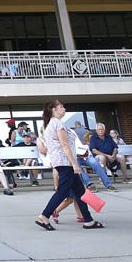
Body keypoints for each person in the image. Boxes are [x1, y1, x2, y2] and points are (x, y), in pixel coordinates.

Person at [34, 99, 101, 231]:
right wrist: (75, 164)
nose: (64, 109)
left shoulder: (49, 125)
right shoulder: (58, 124)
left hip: (60, 161)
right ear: (54, 109)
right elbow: (65, 145)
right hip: (65, 162)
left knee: (80, 191)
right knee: (63, 191)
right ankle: (44, 215)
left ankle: (89, 220)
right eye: (61, 107)